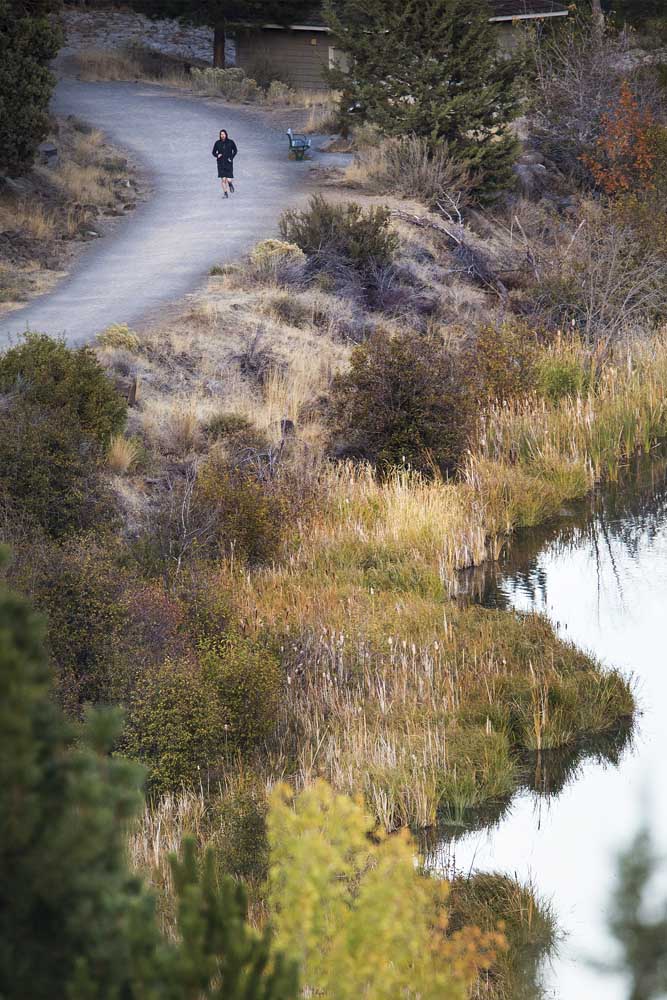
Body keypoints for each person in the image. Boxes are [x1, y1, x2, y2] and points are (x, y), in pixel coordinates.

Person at [212, 129, 238, 198]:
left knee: (229, 179)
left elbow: (235, 150)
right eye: (221, 134)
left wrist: (231, 158)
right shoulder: (217, 143)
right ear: (220, 135)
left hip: (228, 163)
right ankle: (225, 193)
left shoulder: (230, 142)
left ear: (226, 135)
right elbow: (213, 152)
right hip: (220, 163)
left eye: (223, 134)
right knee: (223, 179)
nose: (222, 135)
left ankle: (230, 184)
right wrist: (217, 155)